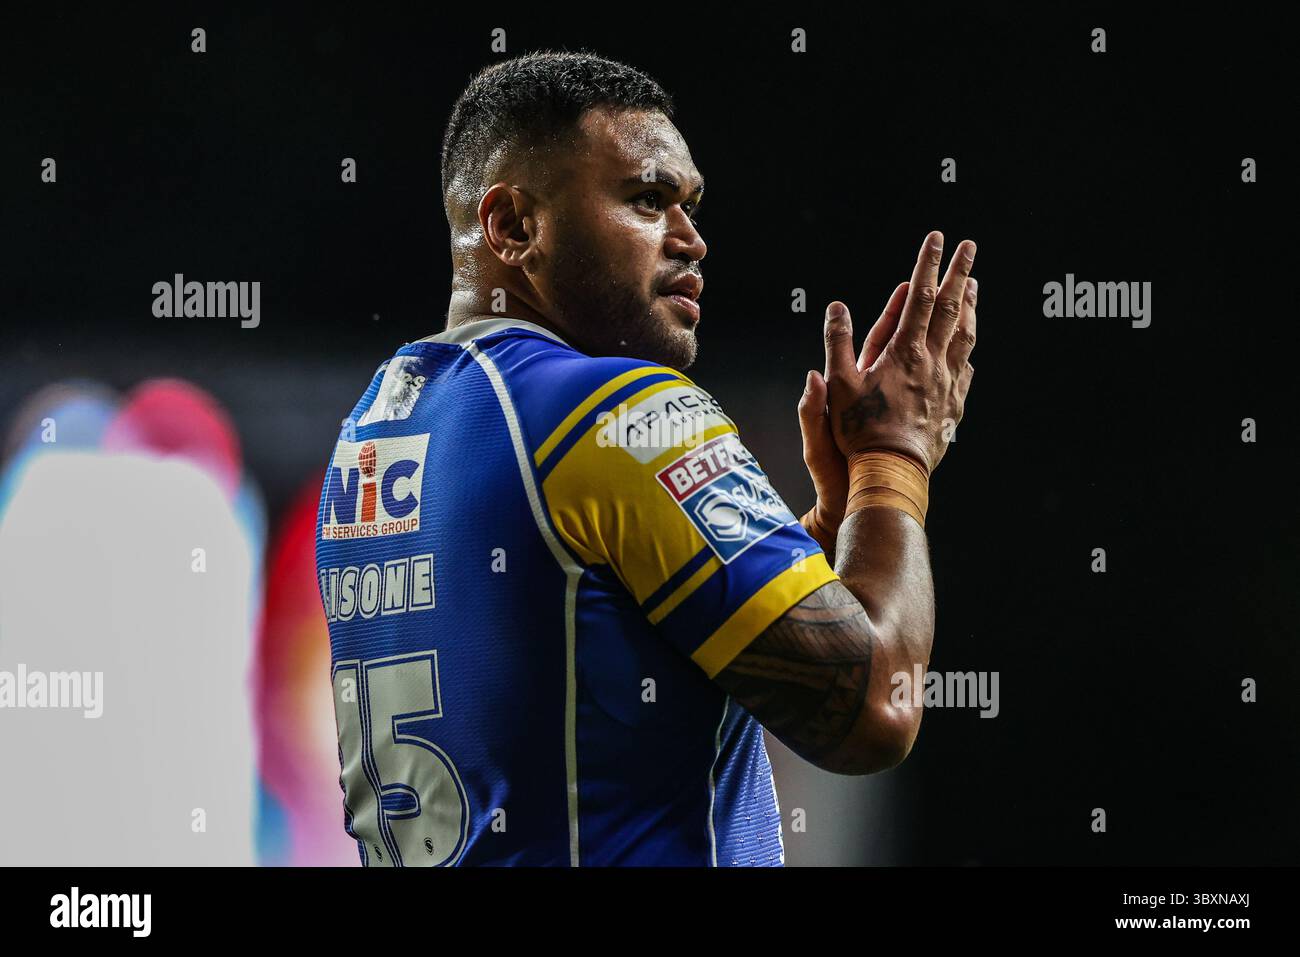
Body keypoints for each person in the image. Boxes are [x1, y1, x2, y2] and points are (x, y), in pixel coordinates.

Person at [314, 50, 977, 866]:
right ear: (514, 226)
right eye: (647, 199)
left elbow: (595, 656)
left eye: (692, 206)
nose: (692, 240)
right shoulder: (618, 410)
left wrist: (828, 529)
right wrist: (894, 460)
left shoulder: (373, 432)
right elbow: (876, 707)